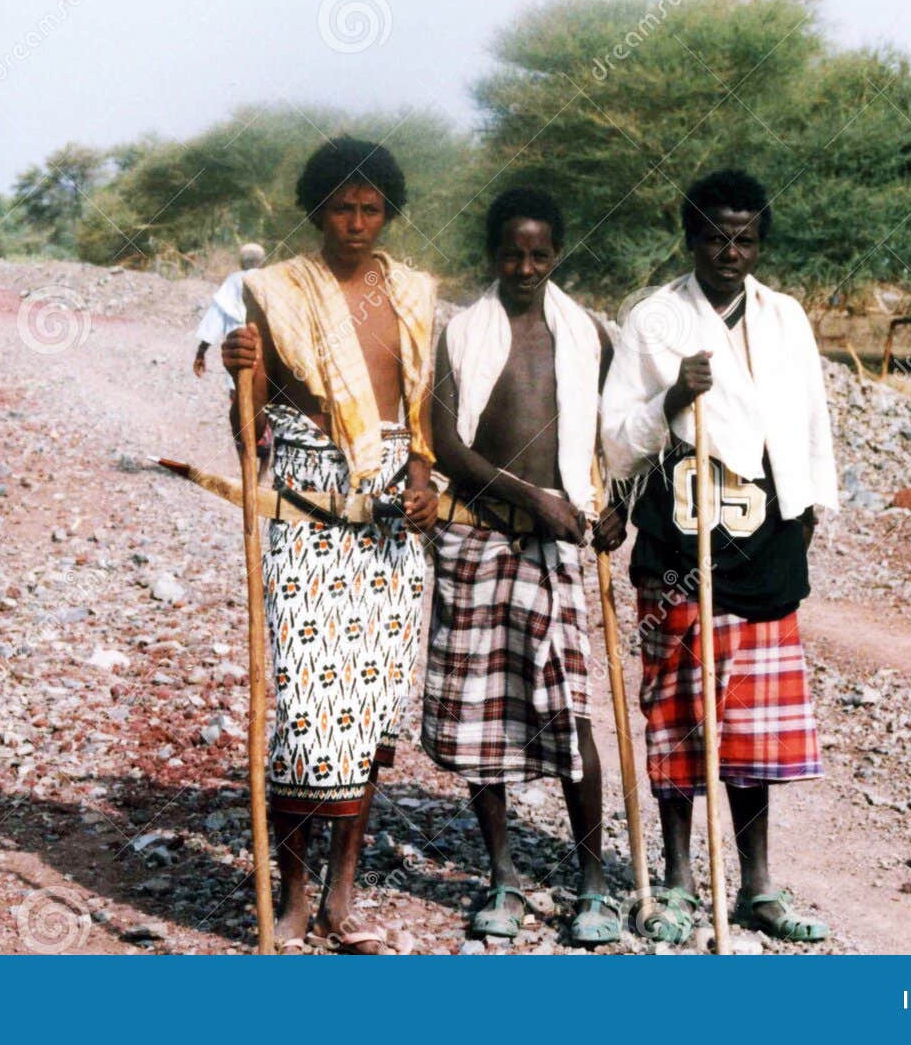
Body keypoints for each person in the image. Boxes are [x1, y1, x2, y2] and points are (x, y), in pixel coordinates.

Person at [600, 169, 838, 946]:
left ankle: (757, 886)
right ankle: (675, 879)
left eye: (746, 239)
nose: (732, 252)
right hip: (678, 535)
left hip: (765, 534)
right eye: (716, 237)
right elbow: (616, 442)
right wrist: (672, 397)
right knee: (678, 710)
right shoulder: (655, 321)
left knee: (753, 725)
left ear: (759, 242)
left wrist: (805, 517)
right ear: (691, 238)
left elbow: (809, 422)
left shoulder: (786, 318)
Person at [222, 138, 439, 954]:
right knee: (310, 713)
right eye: (342, 208)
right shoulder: (271, 294)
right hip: (308, 513)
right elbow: (250, 442)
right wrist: (239, 374)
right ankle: (295, 889)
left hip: (390, 528)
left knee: (368, 711)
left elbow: (423, 420)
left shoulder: (414, 295)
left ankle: (344, 895)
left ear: (389, 212)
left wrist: (423, 482)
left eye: (371, 208)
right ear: (316, 211)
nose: (355, 222)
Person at [423, 188, 627, 945]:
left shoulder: (588, 336)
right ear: (492, 254)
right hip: (478, 537)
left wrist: (617, 510)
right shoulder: (464, 332)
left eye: (540, 253)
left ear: (557, 255)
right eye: (512, 252)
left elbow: (617, 437)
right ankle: (503, 878)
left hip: (558, 545)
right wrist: (528, 497)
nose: (525, 266)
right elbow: (445, 445)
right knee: (483, 715)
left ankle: (593, 882)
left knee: (570, 712)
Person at [194, 242, 267, 462]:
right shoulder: (270, 280)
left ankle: (245, 449)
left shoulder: (232, 282)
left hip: (237, 354)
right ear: (262, 261)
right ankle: (263, 452)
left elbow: (214, 321)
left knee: (239, 401)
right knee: (267, 403)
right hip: (265, 357)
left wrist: (201, 352)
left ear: (240, 262)